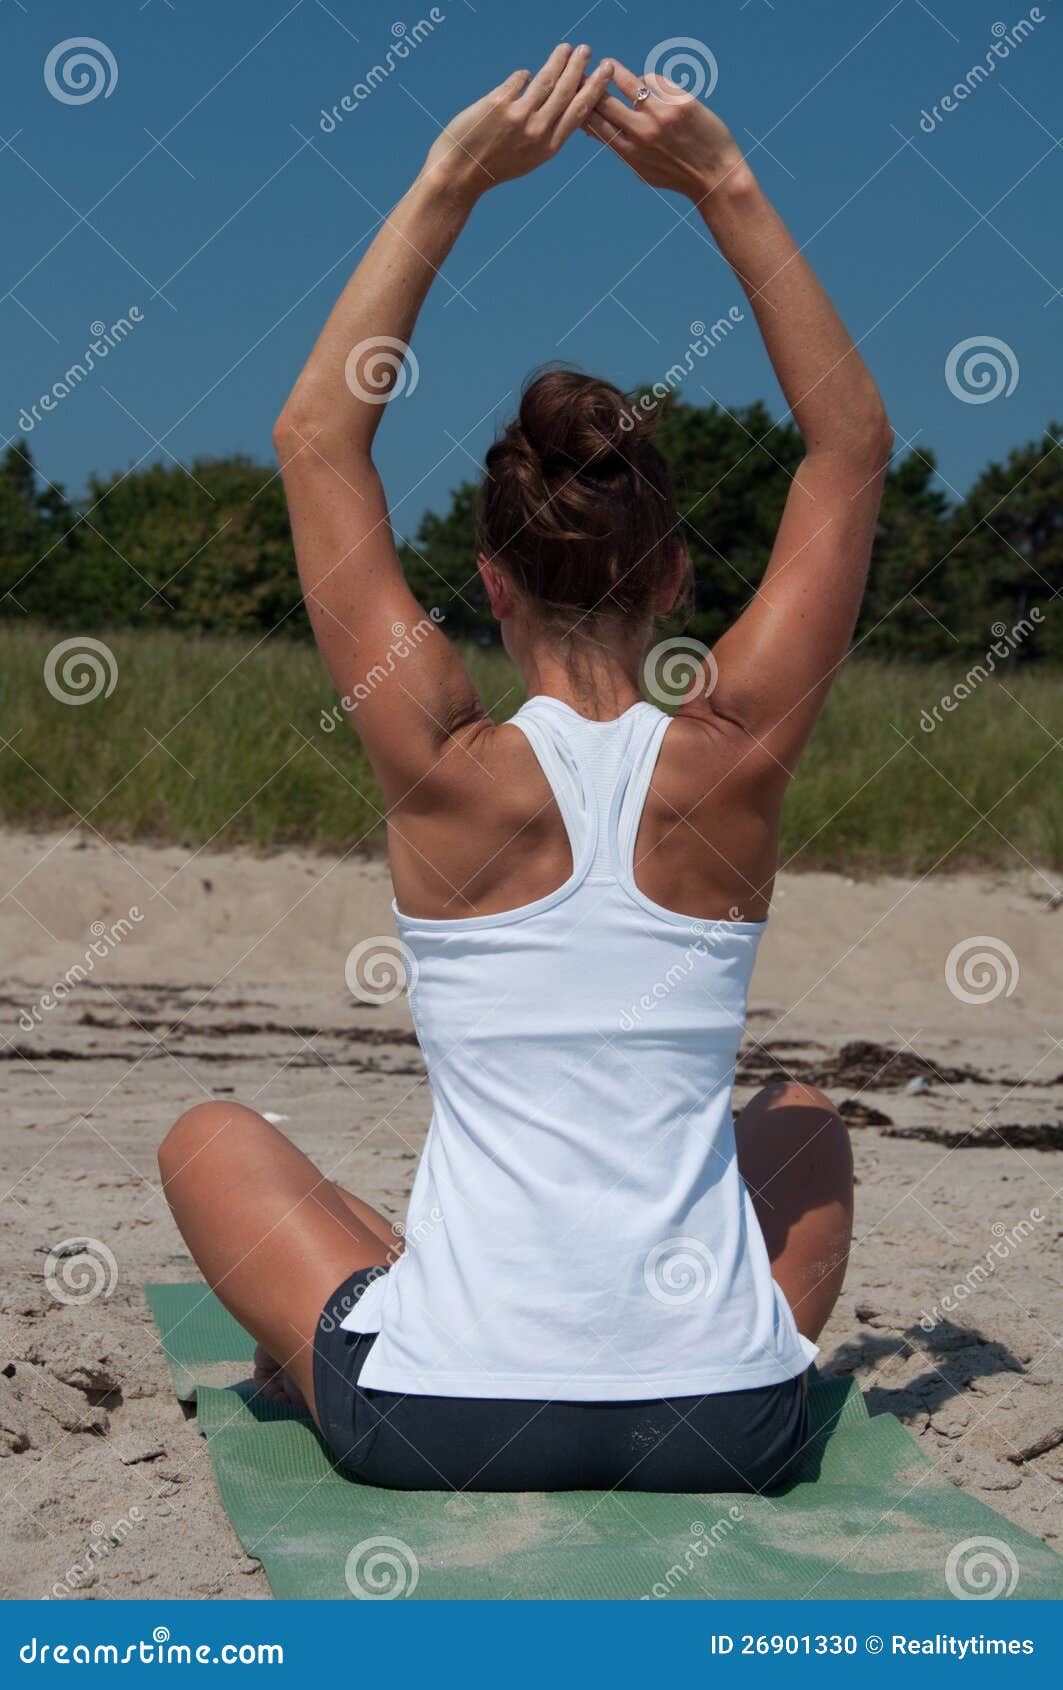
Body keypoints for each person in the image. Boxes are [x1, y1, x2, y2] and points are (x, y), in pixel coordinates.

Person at [159, 44, 890, 1493]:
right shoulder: (734, 753)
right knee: (802, 1121)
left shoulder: (442, 761)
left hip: (442, 1427)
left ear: (489, 583)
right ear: (677, 572)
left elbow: (317, 439)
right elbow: (850, 447)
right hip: (725, 1427)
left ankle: (410, 1323)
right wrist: (724, 184)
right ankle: (694, 1347)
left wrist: (451, 181)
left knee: (209, 1137)